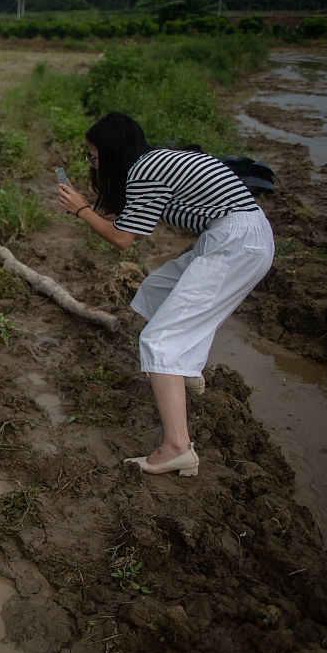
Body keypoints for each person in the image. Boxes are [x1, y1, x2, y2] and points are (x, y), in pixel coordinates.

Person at [56, 112, 274, 477]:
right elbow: (124, 218)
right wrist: (87, 208)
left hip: (237, 242)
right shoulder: (153, 165)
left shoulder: (145, 170)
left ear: (110, 150)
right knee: (158, 290)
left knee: (158, 340)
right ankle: (185, 373)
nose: (91, 163)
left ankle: (176, 447)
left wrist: (80, 209)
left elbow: (122, 239)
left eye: (92, 156)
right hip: (234, 236)